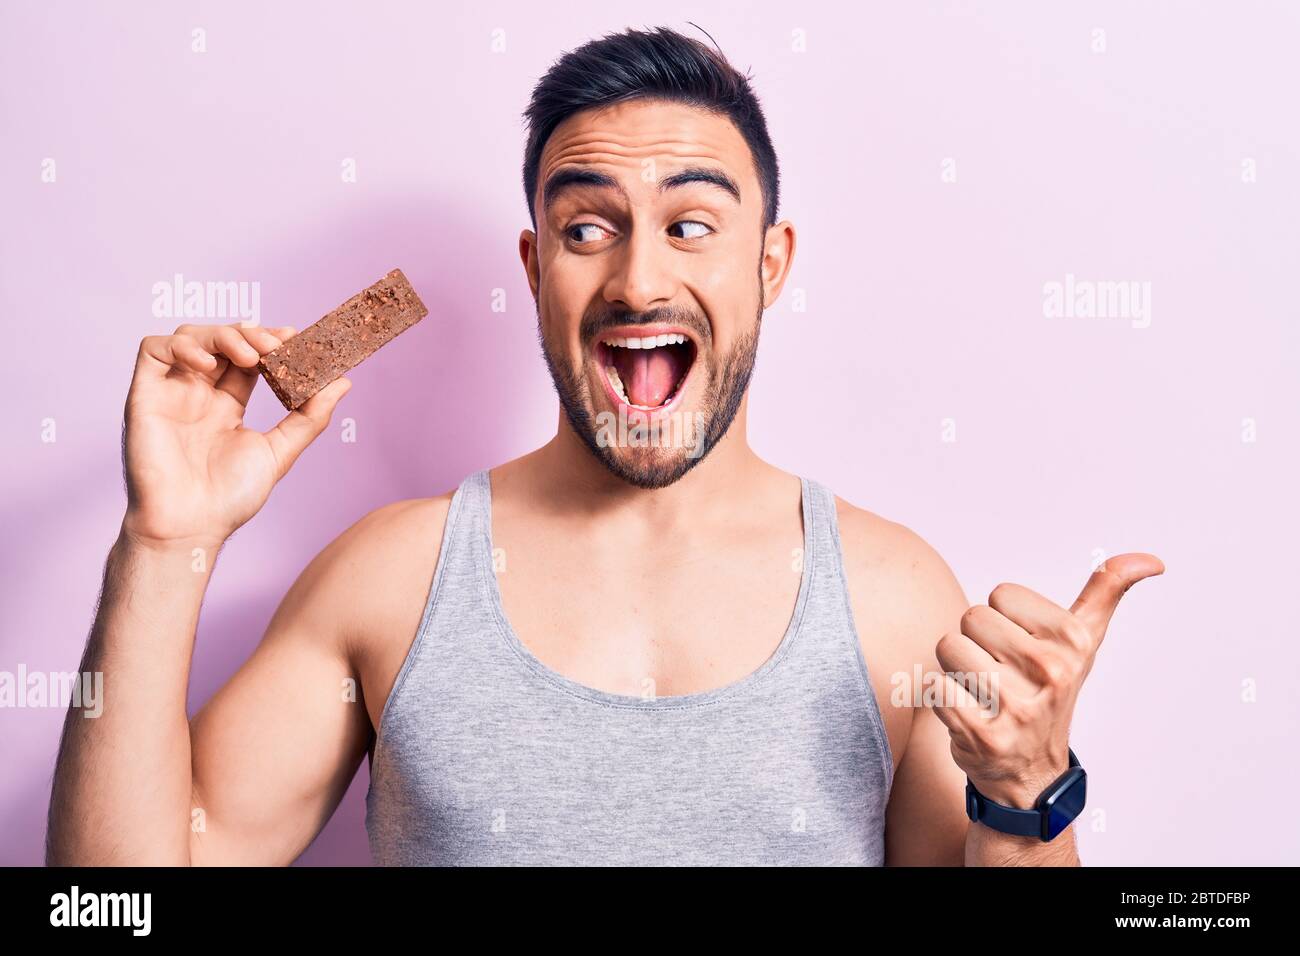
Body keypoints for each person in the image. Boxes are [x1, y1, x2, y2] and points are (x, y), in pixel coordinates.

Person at [47, 26, 1161, 866]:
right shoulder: (391, 579)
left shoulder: (890, 595)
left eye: (689, 224)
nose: (635, 279)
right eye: (587, 228)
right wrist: (161, 540)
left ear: (768, 265)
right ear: (535, 270)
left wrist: (1027, 789)